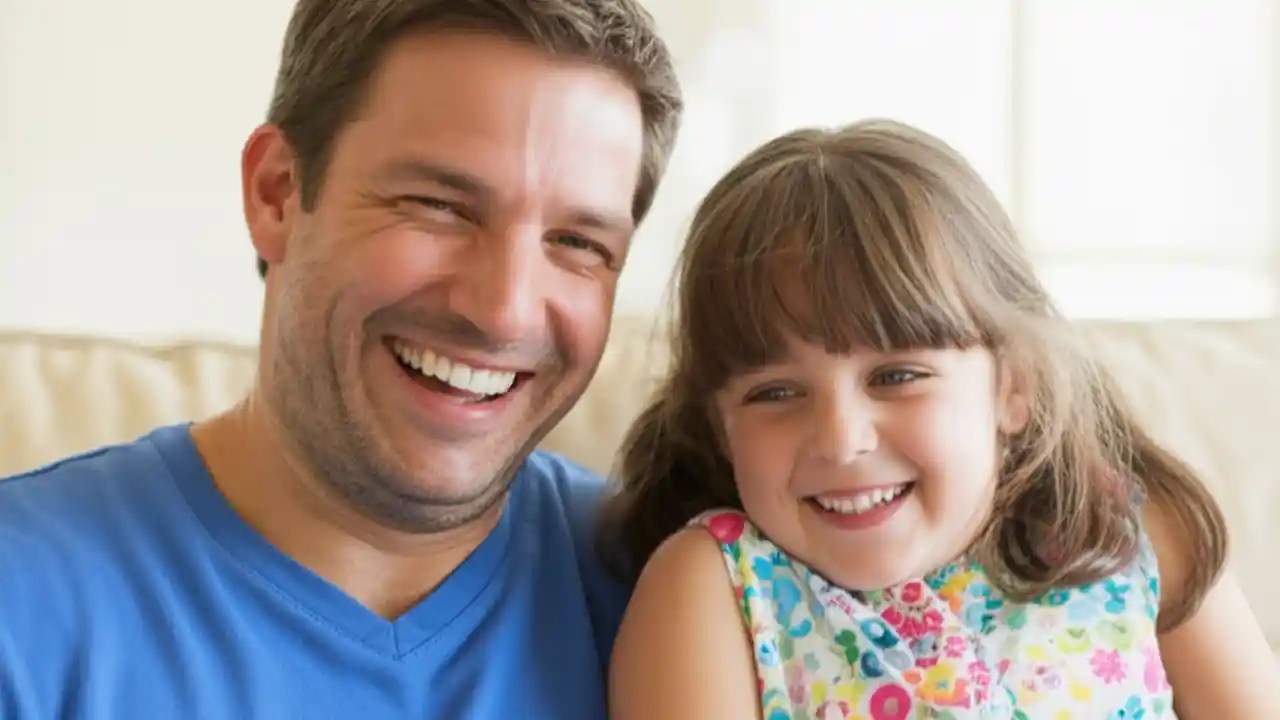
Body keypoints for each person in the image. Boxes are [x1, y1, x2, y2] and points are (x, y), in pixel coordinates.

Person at [0, 1, 681, 717]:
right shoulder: (24, 602)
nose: (504, 309)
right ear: (278, 195)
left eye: (578, 243)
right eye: (440, 205)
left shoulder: (683, 597)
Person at [603, 119, 1277, 719]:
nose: (841, 440)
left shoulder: (1131, 534)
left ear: (1014, 386)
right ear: (720, 426)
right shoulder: (717, 587)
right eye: (775, 393)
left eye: (896, 377)